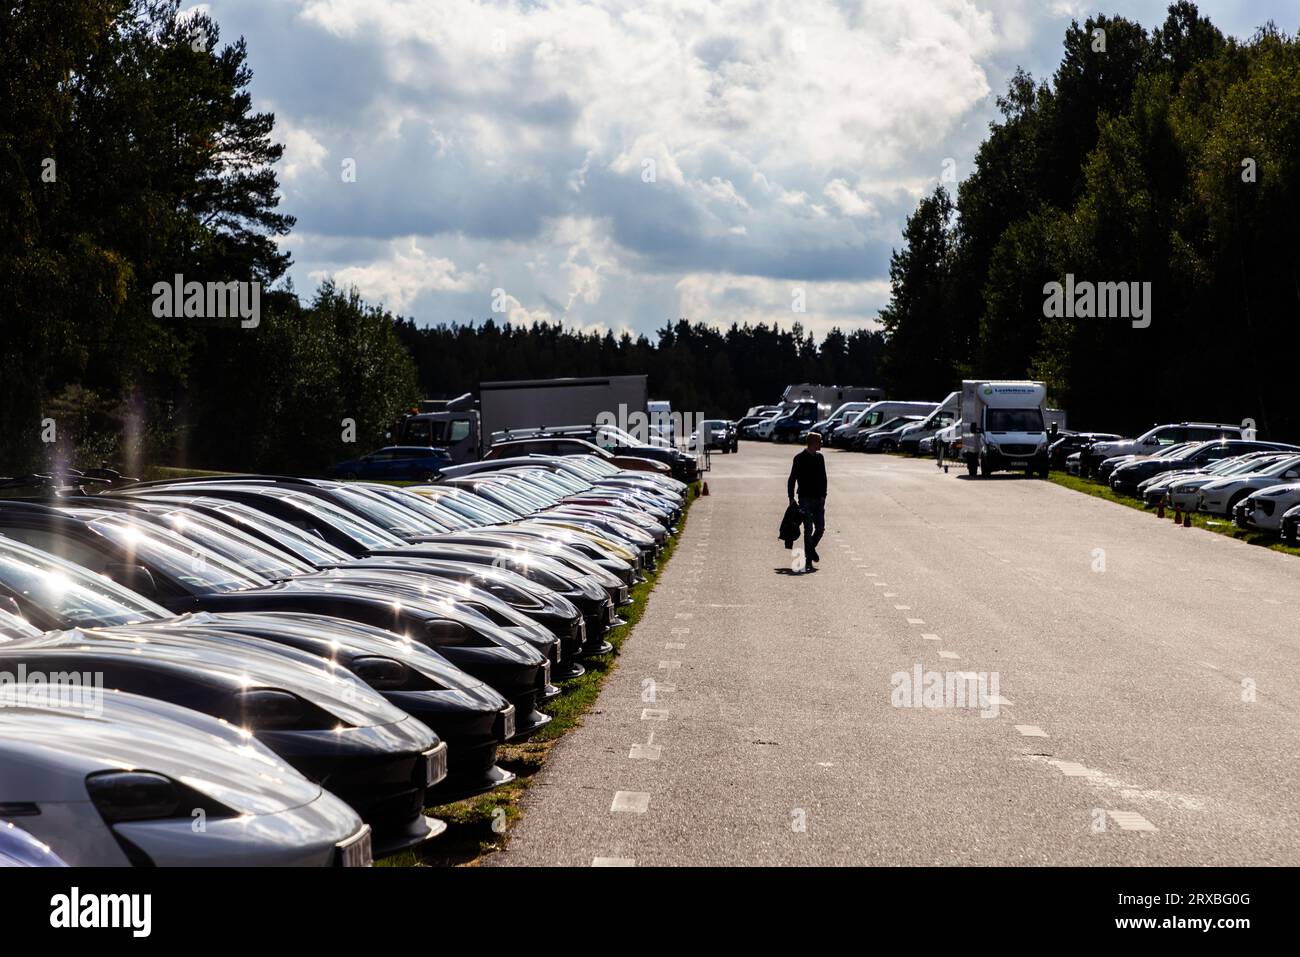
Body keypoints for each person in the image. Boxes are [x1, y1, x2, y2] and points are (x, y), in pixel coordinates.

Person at [787, 431, 827, 573]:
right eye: (820, 441)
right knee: (808, 529)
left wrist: (824, 496)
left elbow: (824, 479)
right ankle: (809, 559)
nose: (822, 443)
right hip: (804, 499)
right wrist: (791, 498)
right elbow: (792, 479)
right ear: (813, 443)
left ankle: (810, 550)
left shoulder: (820, 458)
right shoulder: (799, 458)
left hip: (818, 500)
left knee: (820, 528)